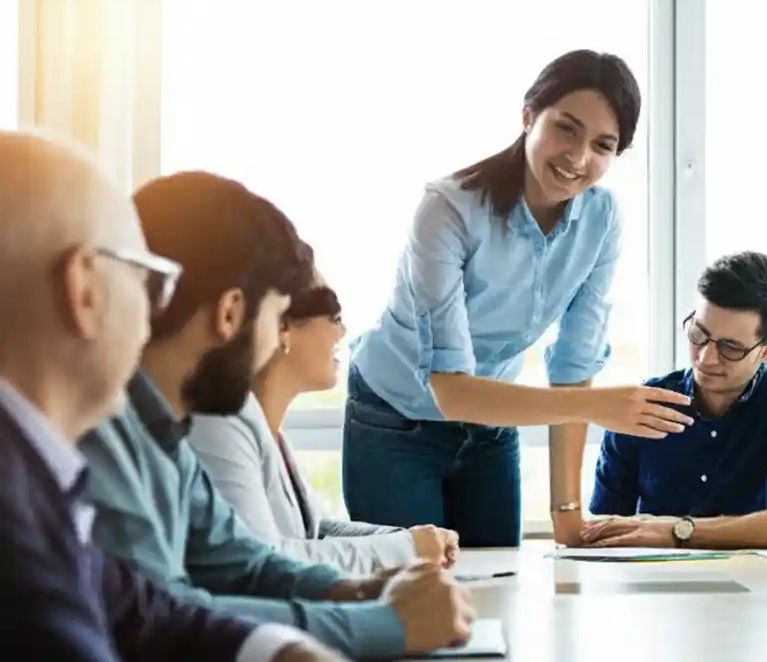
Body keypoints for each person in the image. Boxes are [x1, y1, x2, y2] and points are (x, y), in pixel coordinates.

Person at [79, 171, 475, 659]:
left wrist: (357, 592)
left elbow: (241, 562)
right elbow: (158, 617)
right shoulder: (97, 433)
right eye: (276, 314)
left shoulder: (163, 430)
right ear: (230, 314)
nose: (275, 341)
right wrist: (384, 623)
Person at [0, 130, 337, 661]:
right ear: (85, 290)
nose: (156, 313)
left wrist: (274, 648)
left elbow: (138, 609)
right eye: (147, 280)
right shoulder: (14, 514)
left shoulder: (39, 475)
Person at [344, 49, 692, 546]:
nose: (578, 157)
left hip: (492, 424)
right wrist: (599, 406)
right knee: (413, 593)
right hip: (397, 419)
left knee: (497, 587)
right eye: (566, 129)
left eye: (603, 145)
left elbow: (575, 364)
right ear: (529, 116)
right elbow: (452, 389)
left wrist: (567, 516)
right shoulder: (449, 210)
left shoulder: (602, 218)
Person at [190, 266, 459, 574]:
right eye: (334, 316)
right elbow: (265, 559)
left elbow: (316, 530)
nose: (342, 332)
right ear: (283, 326)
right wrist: (406, 548)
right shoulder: (223, 426)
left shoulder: (269, 429)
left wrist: (411, 539)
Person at [560, 252, 767, 549]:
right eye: (699, 333)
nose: (706, 358)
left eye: (730, 348)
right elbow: (606, 527)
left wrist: (677, 531)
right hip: (652, 583)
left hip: (755, 583)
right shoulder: (643, 406)